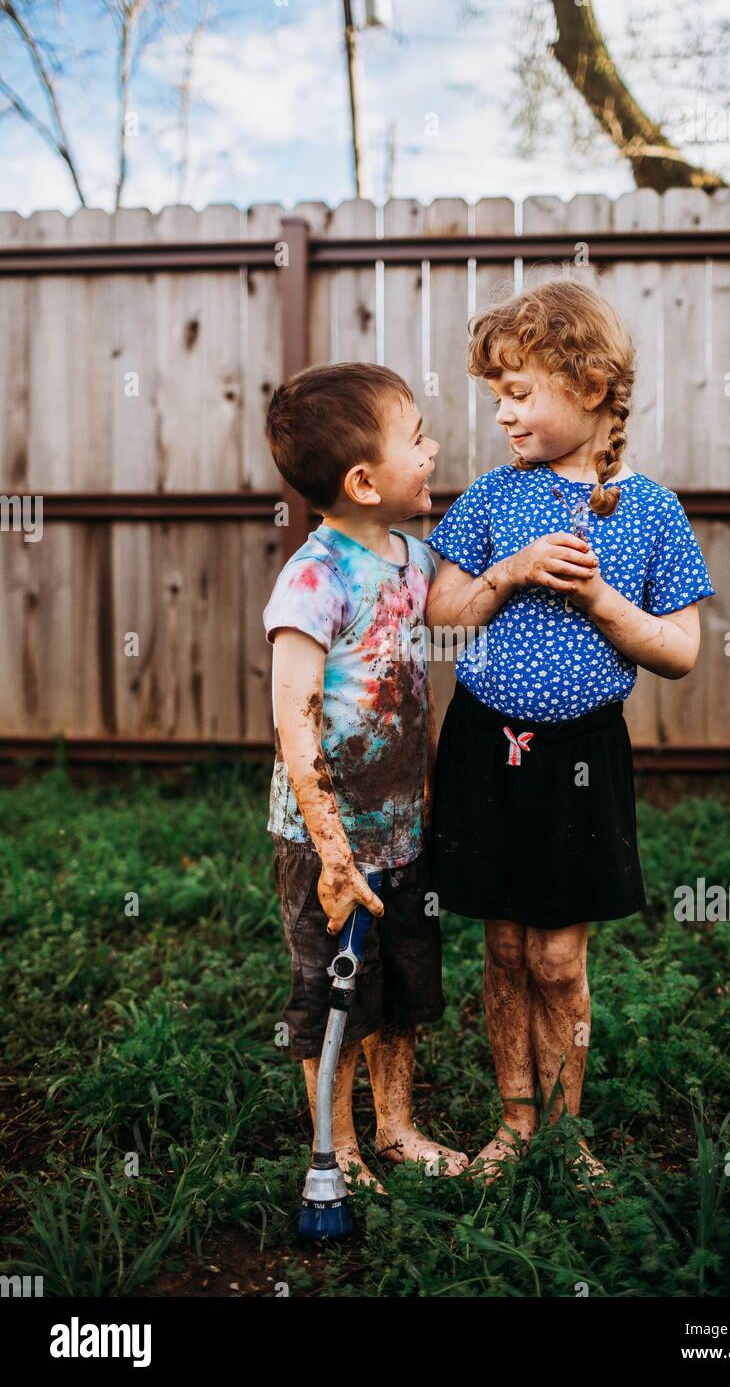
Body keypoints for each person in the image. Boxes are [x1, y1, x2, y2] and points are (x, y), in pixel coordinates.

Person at [424, 279, 716, 1191]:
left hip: (582, 758)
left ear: (590, 388)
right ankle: (516, 1124)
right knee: (505, 946)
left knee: (556, 956)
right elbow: (441, 619)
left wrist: (598, 598)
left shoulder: (651, 510)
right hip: (484, 745)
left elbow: (680, 651)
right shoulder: (491, 498)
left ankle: (565, 1131)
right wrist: (509, 571)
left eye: (519, 393)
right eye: (496, 397)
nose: (503, 415)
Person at [263, 361, 468, 1191]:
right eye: (416, 439)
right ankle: (337, 1142)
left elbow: (427, 670)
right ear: (363, 481)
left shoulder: (413, 560)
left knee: (406, 987)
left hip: (402, 831)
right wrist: (333, 851)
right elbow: (295, 721)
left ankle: (395, 1129)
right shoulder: (314, 579)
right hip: (328, 846)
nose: (433, 449)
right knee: (336, 994)